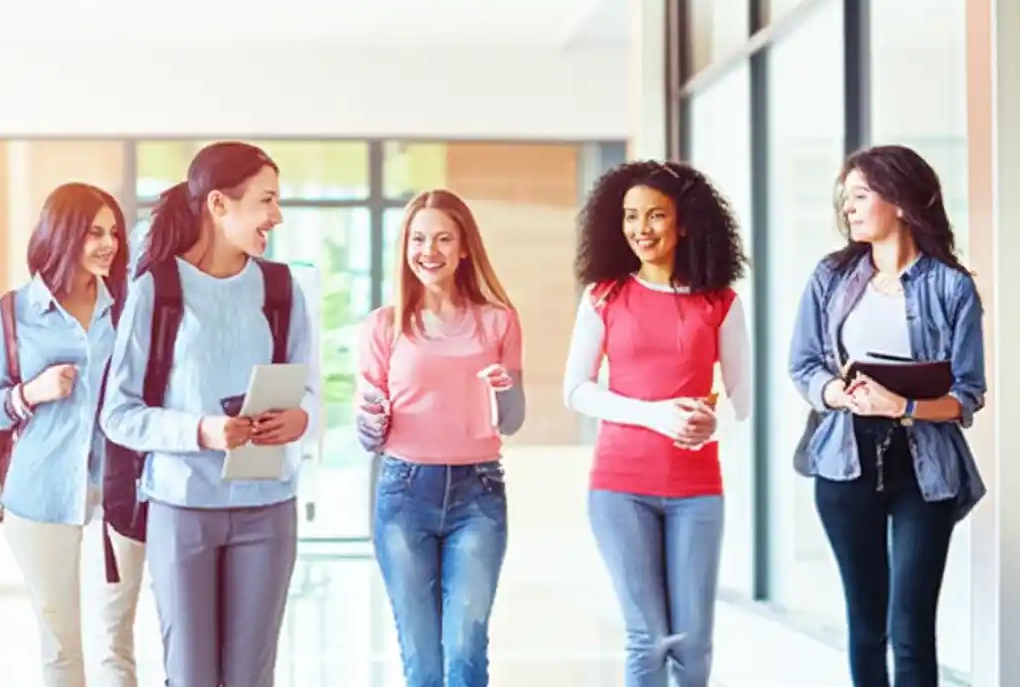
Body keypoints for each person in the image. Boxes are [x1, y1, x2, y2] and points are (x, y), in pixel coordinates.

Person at [100, 141, 316, 687]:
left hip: (268, 508)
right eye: (266, 200)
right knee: (191, 675)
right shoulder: (157, 290)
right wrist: (201, 430)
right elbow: (119, 414)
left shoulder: (281, 289)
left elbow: (309, 389)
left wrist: (302, 417)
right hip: (182, 506)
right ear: (219, 205)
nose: (276, 215)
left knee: (251, 677)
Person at [788, 145, 986, 687]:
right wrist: (836, 393)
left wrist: (904, 405)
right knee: (866, 626)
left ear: (898, 201)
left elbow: (968, 395)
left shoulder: (952, 286)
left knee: (912, 627)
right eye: (844, 198)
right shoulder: (829, 277)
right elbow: (803, 365)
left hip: (926, 472)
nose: (847, 209)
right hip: (844, 462)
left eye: (859, 196)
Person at [561, 160, 751, 687]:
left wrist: (710, 423)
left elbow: (742, 400)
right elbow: (576, 390)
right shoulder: (603, 296)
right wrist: (655, 415)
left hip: (697, 490)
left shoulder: (721, 301)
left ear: (684, 222)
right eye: (630, 217)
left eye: (655, 216)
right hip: (620, 489)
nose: (641, 229)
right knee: (647, 638)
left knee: (691, 645)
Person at [0, 182, 145, 686]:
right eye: (95, 232)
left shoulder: (130, 309)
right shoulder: (10, 314)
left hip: (118, 495)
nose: (108, 244)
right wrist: (32, 392)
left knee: (117, 642)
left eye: (113, 232)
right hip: (39, 496)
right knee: (60, 650)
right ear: (62, 232)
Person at [355, 189, 524, 687]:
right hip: (404, 493)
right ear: (405, 246)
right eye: (419, 238)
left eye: (444, 239)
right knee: (422, 661)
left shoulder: (498, 320)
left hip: (479, 494)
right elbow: (367, 435)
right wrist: (371, 417)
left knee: (466, 653)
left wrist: (505, 389)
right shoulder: (383, 326)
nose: (430, 250)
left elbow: (512, 421)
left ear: (465, 247)